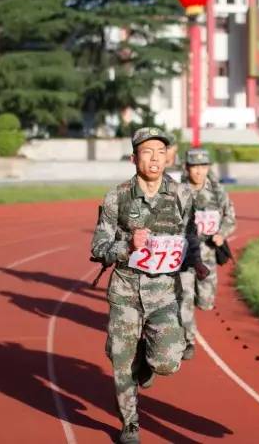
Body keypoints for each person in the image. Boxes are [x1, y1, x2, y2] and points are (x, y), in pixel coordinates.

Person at [90, 127, 203, 444]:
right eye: (147, 152)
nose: (154, 158)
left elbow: (190, 237)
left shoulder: (182, 195)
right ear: (133, 158)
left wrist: (197, 261)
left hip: (165, 294)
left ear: (168, 158)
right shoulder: (117, 196)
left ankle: (148, 359)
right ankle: (130, 424)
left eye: (160, 152)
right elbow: (98, 248)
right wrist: (127, 245)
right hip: (125, 292)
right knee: (121, 361)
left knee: (167, 363)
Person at [179, 148, 237, 360]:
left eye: (203, 166)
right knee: (184, 297)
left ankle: (191, 312)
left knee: (205, 302)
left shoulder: (217, 191)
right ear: (187, 168)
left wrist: (222, 234)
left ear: (208, 168)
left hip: (209, 254)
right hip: (184, 254)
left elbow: (230, 217)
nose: (198, 171)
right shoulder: (178, 191)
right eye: (194, 167)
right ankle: (188, 340)